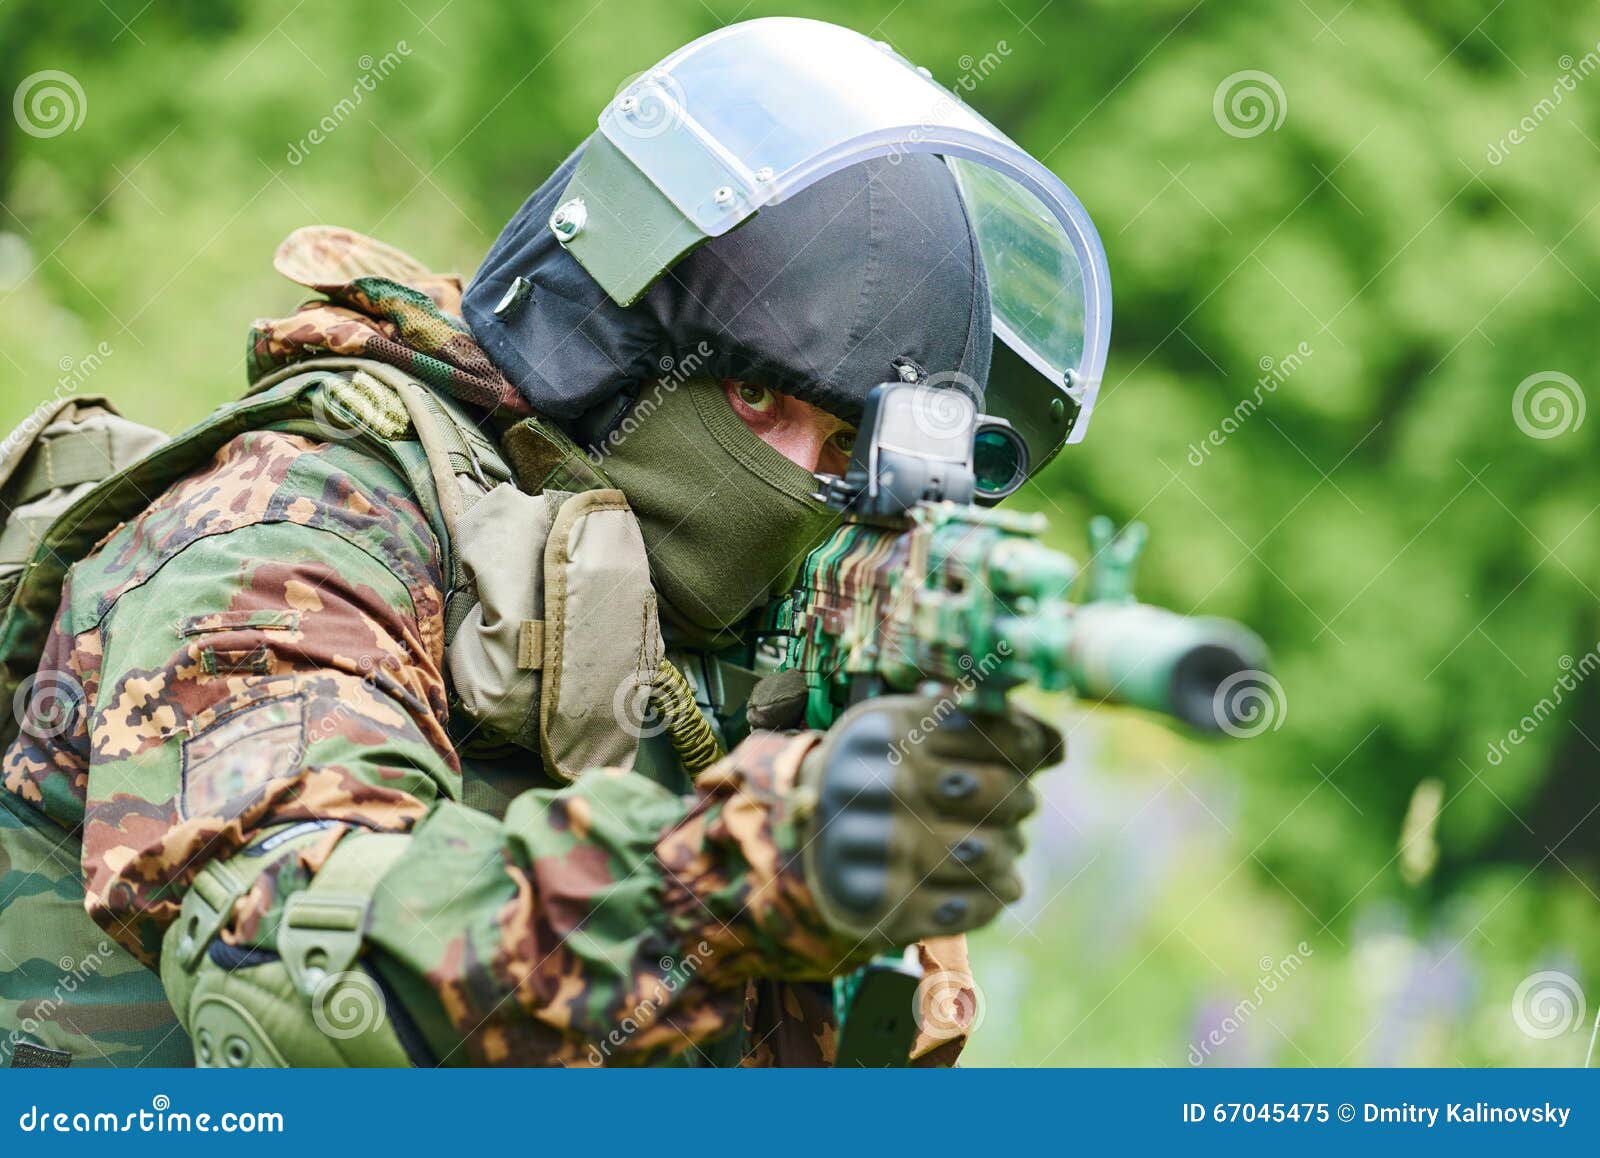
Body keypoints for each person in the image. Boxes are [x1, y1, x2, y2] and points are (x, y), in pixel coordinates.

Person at [0, 18, 1109, 1067]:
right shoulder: (294, 524)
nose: (797, 481)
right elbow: (290, 980)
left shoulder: (727, 635)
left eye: (844, 450)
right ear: (614, 337)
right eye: (761, 393)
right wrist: (731, 884)